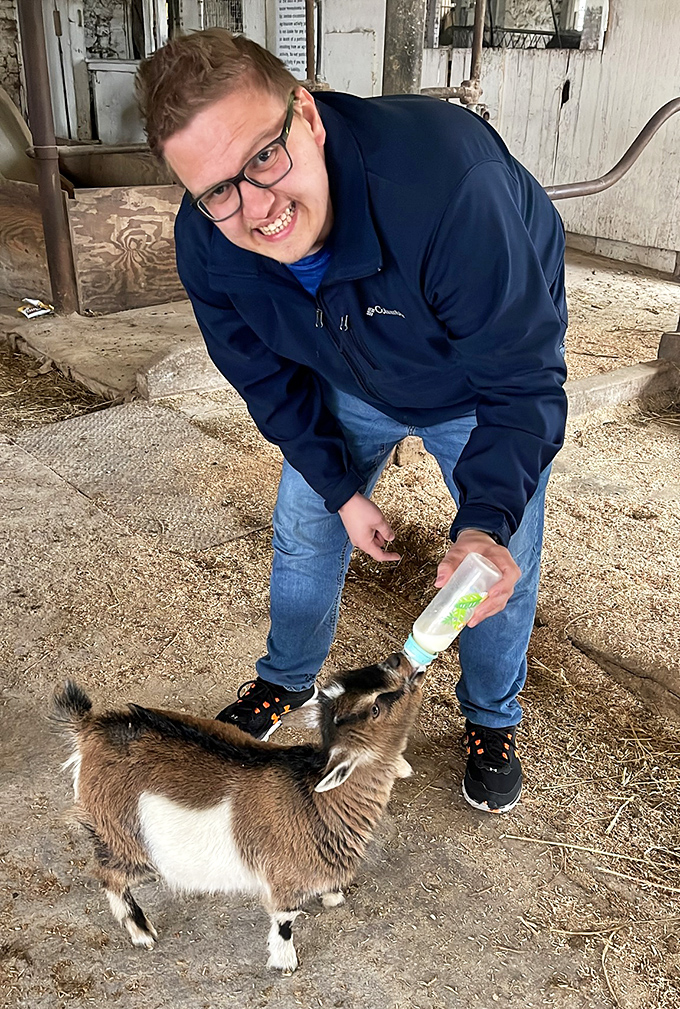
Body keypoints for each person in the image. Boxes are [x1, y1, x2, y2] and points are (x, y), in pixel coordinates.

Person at [136, 29, 568, 814]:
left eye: (264, 156)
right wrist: (340, 489)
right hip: (346, 367)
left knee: (503, 564)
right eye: (216, 190)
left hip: (470, 379)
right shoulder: (208, 243)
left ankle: (492, 717)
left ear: (307, 113)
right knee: (305, 525)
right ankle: (284, 679)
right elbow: (263, 380)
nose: (256, 208)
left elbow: (521, 376)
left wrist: (483, 526)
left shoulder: (446, 185)